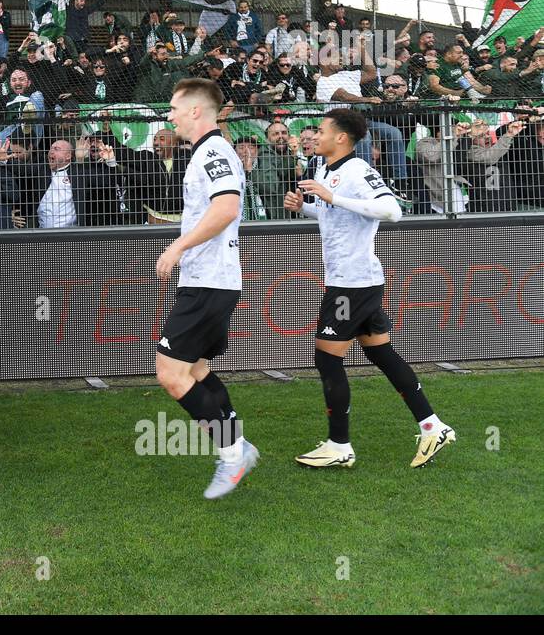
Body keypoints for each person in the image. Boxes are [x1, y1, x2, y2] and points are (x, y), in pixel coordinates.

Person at [284, 108, 455, 469]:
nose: (314, 135)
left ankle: (339, 446)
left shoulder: (359, 170)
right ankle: (432, 426)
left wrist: (331, 199)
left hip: (352, 285)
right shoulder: (324, 169)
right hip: (354, 282)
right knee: (381, 354)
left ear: (341, 138)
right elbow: (336, 216)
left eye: (321, 130)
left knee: (327, 358)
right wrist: (307, 209)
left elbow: (391, 211)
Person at [153, 78, 260, 499]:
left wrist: (177, 246)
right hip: (211, 281)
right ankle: (238, 446)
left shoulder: (212, 152)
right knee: (196, 369)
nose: (171, 115)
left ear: (196, 111)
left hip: (208, 281)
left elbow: (226, 207)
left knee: (171, 374)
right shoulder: (207, 152)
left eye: (175, 108)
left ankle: (232, 455)